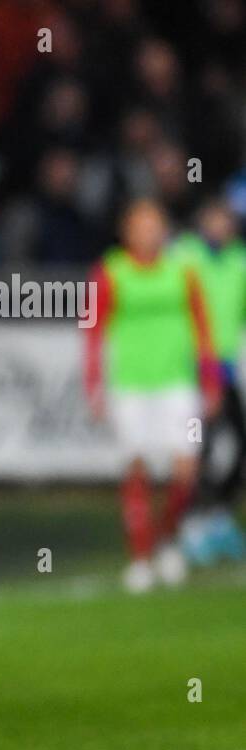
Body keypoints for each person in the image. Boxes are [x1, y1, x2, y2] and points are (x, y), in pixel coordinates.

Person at [84, 199, 222, 593]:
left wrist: (209, 381)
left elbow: (203, 327)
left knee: (184, 470)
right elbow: (92, 331)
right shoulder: (110, 271)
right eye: (141, 225)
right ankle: (141, 556)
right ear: (126, 231)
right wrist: (94, 383)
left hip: (177, 382)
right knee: (136, 467)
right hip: (129, 383)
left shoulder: (182, 270)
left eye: (155, 224)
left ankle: (166, 537)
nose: (149, 232)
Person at [169, 198, 246, 563]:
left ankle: (216, 517)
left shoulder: (239, 261)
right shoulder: (184, 257)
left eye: (226, 220)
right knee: (195, 448)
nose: (221, 227)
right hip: (193, 372)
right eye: (214, 219)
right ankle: (188, 523)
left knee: (237, 445)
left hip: (226, 370)